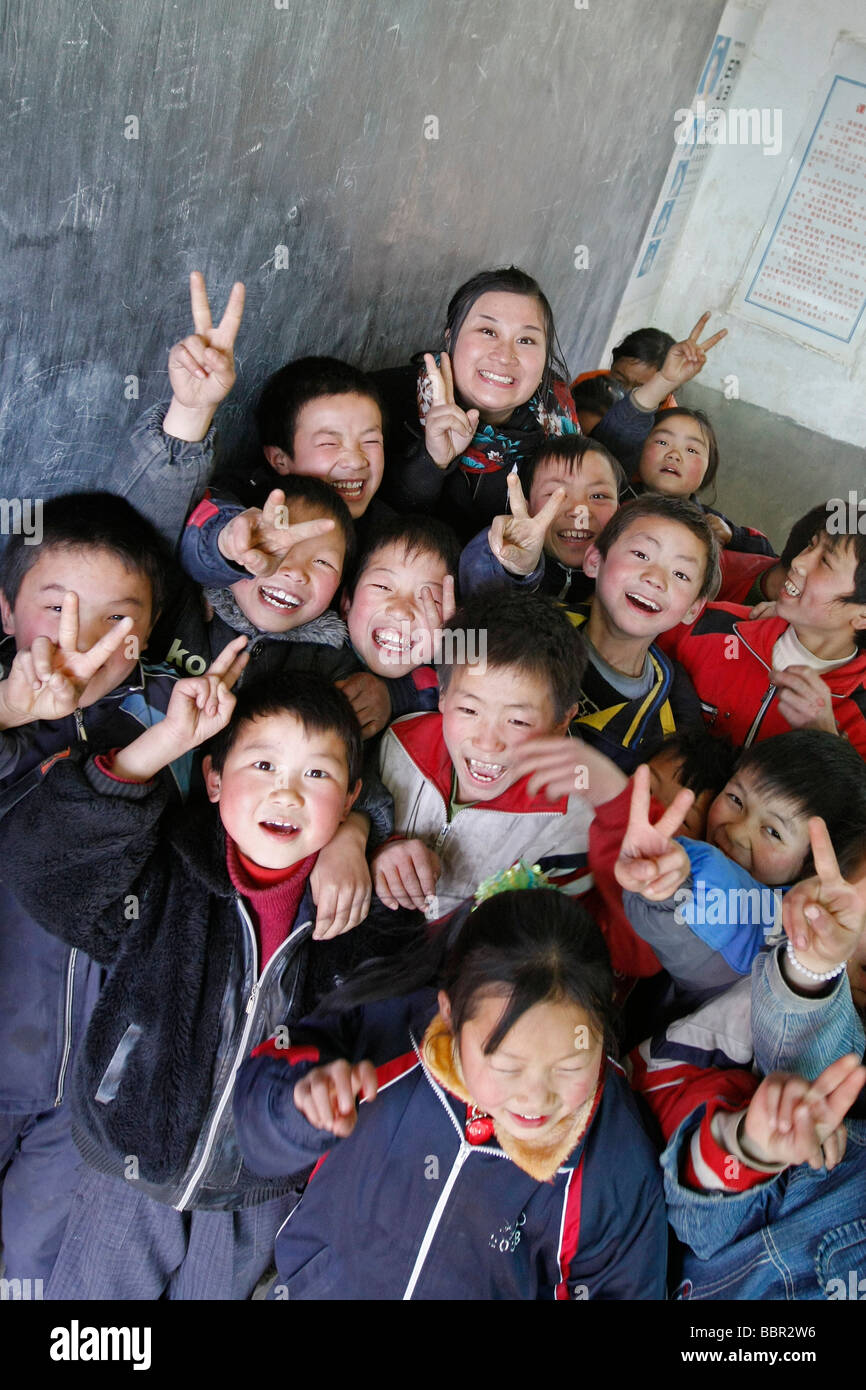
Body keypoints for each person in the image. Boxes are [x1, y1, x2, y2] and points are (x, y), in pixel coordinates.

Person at [0, 663, 402, 1298]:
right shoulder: (167, 868)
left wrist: (384, 853)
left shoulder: (355, 915)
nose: (287, 793)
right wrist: (158, 748)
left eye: (317, 774)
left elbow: (382, 1028)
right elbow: (51, 873)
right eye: (262, 766)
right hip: (132, 1159)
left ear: (352, 797)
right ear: (213, 779)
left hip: (259, 1186)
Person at [233, 884, 668, 1300]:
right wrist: (296, 1109)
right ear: (451, 1012)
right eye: (507, 1066)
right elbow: (255, 1121)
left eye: (571, 1066)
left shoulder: (615, 1157)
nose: (536, 1098)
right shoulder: (384, 1036)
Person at [0, 493, 191, 1284]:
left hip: (79, 1085)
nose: (83, 641)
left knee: (28, 1263)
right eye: (56, 608)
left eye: (118, 619)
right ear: (6, 611)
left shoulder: (158, 733)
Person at [372, 590, 598, 916]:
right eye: (468, 709)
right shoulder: (399, 743)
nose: (488, 742)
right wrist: (380, 852)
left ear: (561, 722)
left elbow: (545, 940)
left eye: (518, 720)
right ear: (444, 696)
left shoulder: (569, 823)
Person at [615, 731, 866, 1006]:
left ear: (812, 870)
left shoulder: (774, 930)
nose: (737, 832)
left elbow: (726, 915)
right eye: (735, 800)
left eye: (773, 831)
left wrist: (676, 879)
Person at [656, 517, 866, 756]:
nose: (798, 561)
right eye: (810, 545)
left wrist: (826, 742)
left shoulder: (859, 718)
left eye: (825, 561)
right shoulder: (708, 627)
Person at [562, 496, 720, 771]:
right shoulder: (527, 623)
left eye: (681, 574)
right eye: (641, 555)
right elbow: (464, 650)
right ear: (594, 560)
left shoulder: (667, 736)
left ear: (693, 609)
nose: (656, 579)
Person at [459, 436, 623, 606]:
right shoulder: (498, 555)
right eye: (556, 494)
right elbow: (478, 582)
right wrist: (514, 569)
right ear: (527, 508)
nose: (578, 511)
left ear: (619, 511)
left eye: (598, 496)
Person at [630, 407, 774, 556]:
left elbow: (769, 558)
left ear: (708, 468)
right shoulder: (614, 496)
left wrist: (733, 537)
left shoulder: (709, 523)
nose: (674, 455)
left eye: (691, 450)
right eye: (662, 442)